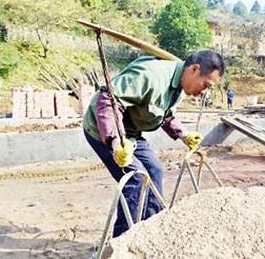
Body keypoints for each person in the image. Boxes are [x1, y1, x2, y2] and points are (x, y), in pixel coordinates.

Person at [82, 50, 224, 237]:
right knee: (136, 180)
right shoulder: (149, 75)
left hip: (131, 131)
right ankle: (121, 244)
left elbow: (163, 114)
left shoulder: (181, 85)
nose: (204, 92)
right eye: (205, 85)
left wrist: (183, 134)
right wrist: (116, 142)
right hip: (103, 129)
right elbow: (108, 100)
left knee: (155, 171)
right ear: (195, 69)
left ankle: (150, 234)